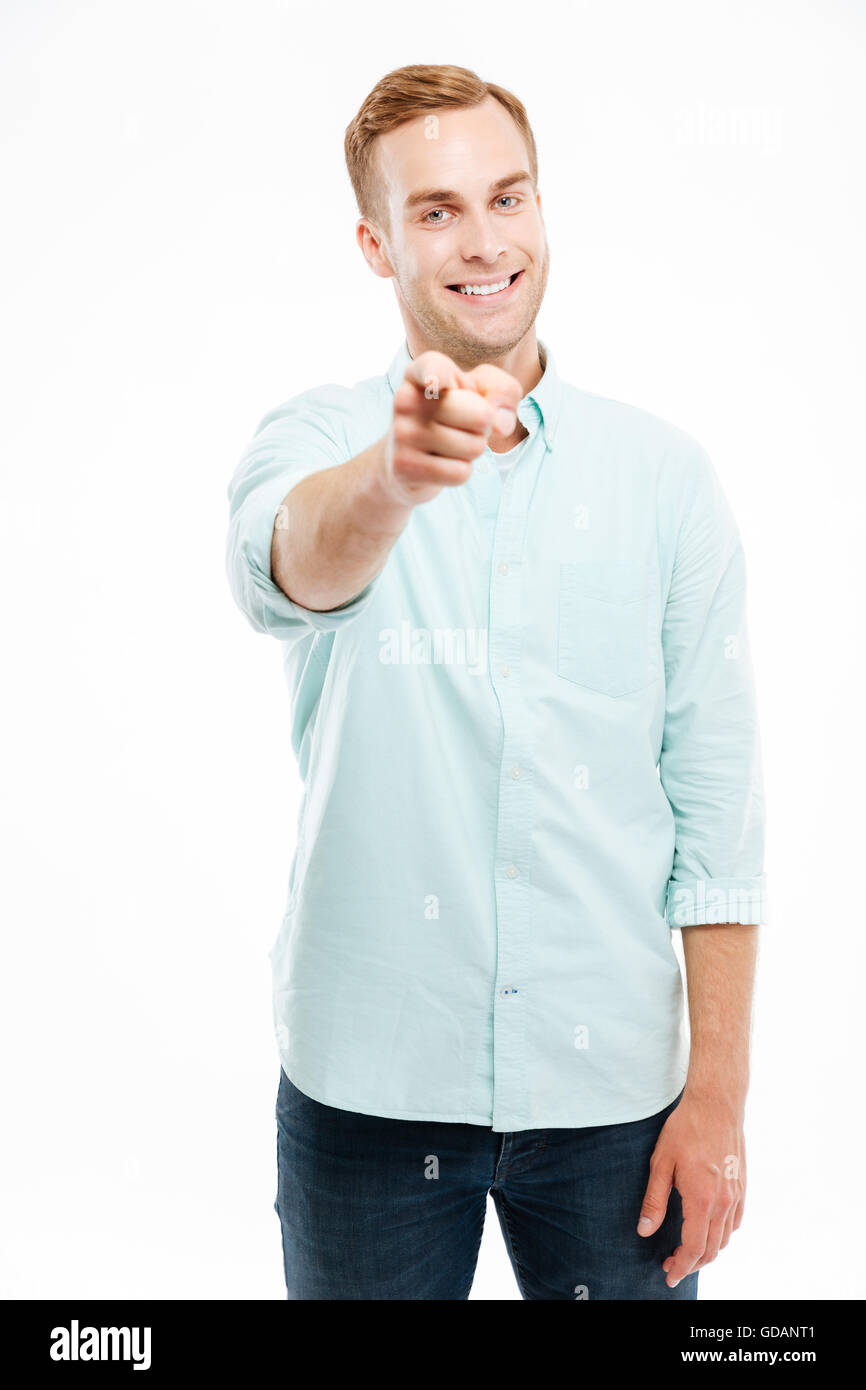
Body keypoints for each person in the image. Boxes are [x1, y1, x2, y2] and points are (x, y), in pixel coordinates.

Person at [225, 63, 767, 1301]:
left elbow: (715, 807)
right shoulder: (318, 442)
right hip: (366, 1094)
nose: (483, 241)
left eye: (505, 197)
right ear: (375, 242)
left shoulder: (664, 479)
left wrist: (718, 1098)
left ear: (539, 207)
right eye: (435, 211)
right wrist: (395, 481)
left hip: (616, 1105)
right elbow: (285, 565)